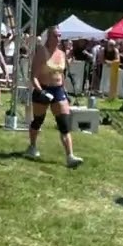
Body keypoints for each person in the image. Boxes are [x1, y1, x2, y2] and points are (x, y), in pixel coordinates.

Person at [26, 26, 83, 167]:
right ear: (48, 37)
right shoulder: (41, 52)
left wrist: (64, 91)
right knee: (38, 121)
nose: (58, 39)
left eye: (59, 36)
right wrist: (41, 91)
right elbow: (33, 76)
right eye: (55, 36)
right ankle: (32, 146)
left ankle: (70, 156)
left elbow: (61, 74)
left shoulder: (62, 54)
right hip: (43, 89)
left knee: (64, 123)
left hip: (58, 90)